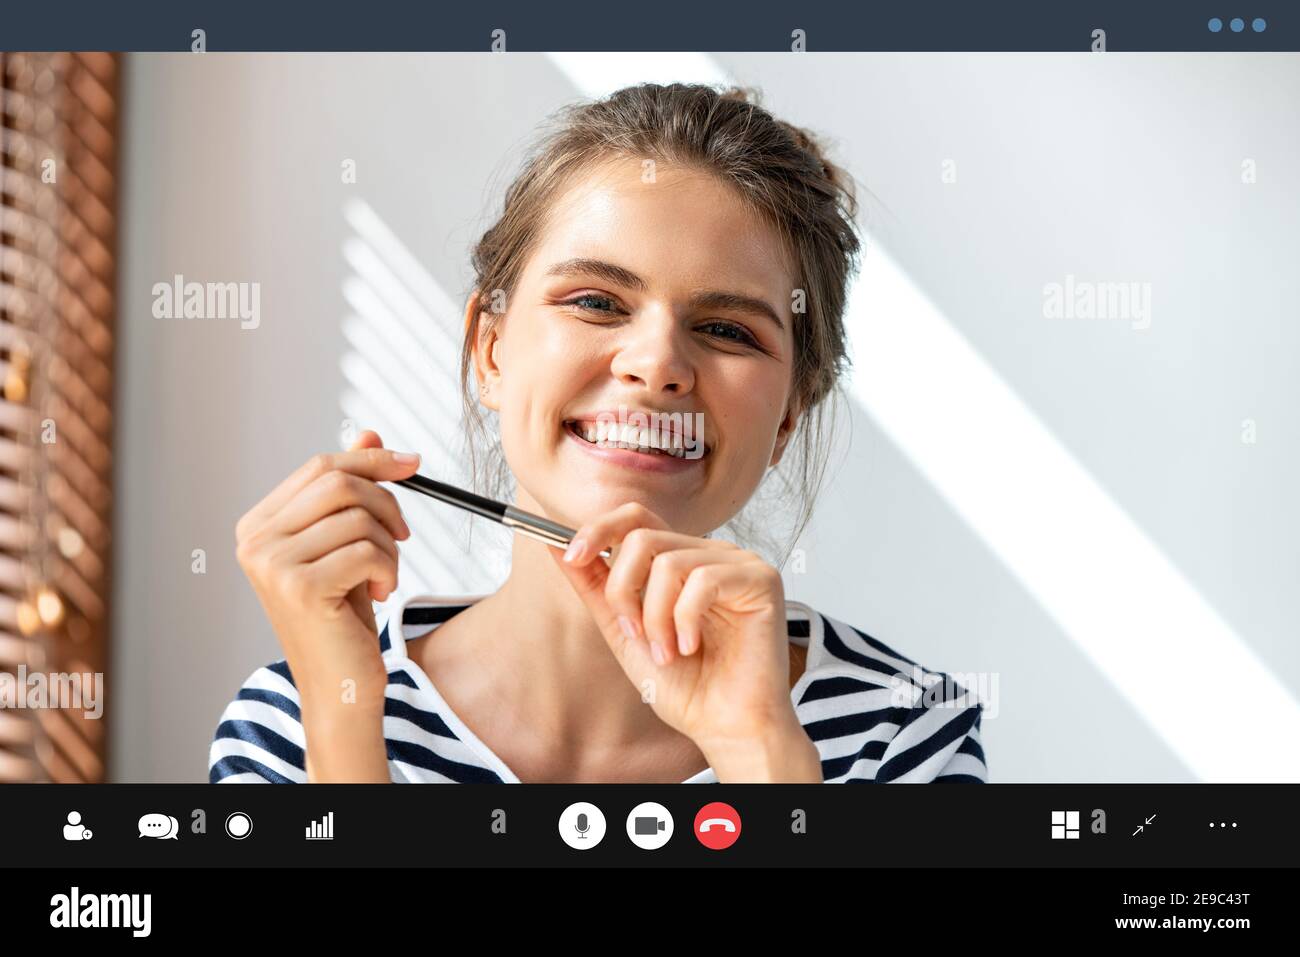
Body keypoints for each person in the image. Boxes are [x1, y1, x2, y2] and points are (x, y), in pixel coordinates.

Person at [209, 82, 987, 784]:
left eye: (725, 328)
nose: (656, 365)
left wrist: (760, 752)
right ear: (490, 349)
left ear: (788, 416)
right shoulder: (293, 719)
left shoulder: (906, 733)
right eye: (596, 302)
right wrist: (343, 727)